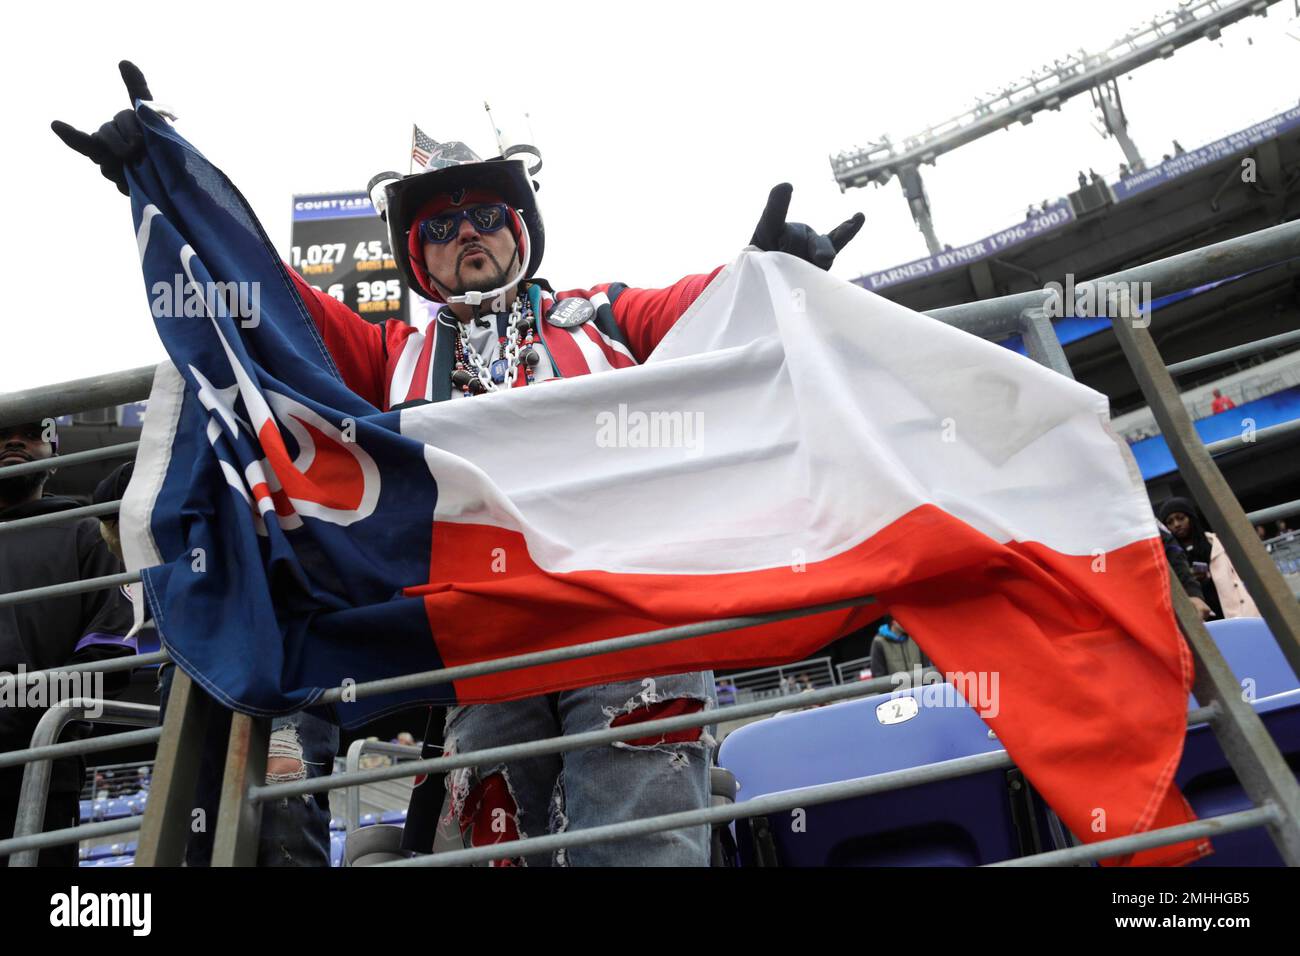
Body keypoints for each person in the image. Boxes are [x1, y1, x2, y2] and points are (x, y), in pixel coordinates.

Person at [54, 62, 866, 867]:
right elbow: (262, 297)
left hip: (631, 625)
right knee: (491, 854)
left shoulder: (603, 315)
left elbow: (705, 309)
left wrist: (767, 267)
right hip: (482, 648)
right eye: (439, 228)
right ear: (421, 262)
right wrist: (168, 182)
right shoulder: (385, 356)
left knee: (641, 848)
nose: (464, 233)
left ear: (520, 229)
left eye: (483, 214)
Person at [95, 461, 339, 866]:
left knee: (285, 808)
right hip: (199, 663)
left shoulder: (260, 459)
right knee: (200, 824)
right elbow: (109, 510)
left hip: (289, 652)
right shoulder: (174, 470)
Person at [0, 420, 135, 865]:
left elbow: (109, 662)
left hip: (39, 764)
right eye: (0, 435)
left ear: (55, 456)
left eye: (31, 434)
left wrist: (15, 697)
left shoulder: (84, 531)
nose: (14, 441)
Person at [1158, 497, 1260, 620]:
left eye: (1180, 518)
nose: (1176, 524)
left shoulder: (1216, 543)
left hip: (1234, 608)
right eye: (1170, 522)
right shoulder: (1172, 557)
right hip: (1203, 615)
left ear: (1191, 518)